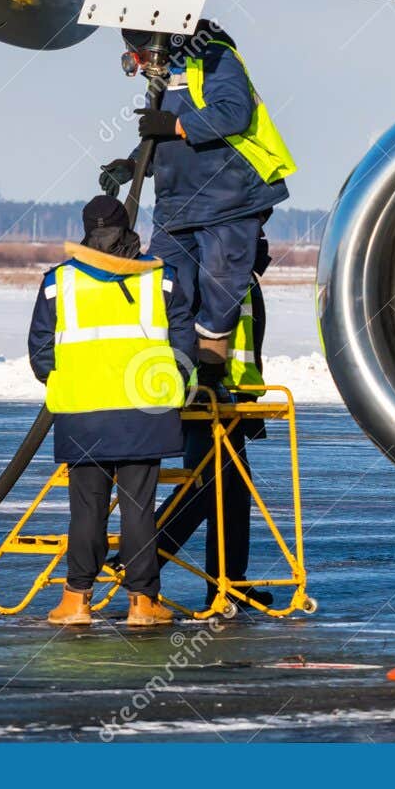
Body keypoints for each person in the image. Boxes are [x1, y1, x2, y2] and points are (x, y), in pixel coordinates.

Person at [100, 20, 294, 394]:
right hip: (177, 206)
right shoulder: (163, 77)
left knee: (220, 287)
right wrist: (132, 163)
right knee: (163, 286)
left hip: (229, 198)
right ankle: (174, 373)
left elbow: (234, 112)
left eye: (140, 57)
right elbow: (162, 135)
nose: (140, 67)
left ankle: (210, 375)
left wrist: (175, 125)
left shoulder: (214, 55)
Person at [27, 195, 185, 628]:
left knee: (87, 510)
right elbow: (182, 341)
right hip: (143, 413)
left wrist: (62, 381)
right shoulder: (161, 278)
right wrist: (177, 385)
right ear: (127, 226)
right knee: (138, 509)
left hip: (83, 413)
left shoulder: (59, 282)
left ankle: (76, 600)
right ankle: (143, 604)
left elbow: (40, 348)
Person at [154, 235, 272, 600]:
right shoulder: (210, 275)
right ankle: (136, 561)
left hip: (233, 401)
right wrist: (202, 385)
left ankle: (229, 583)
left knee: (233, 495)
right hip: (204, 400)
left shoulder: (241, 278)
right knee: (204, 490)